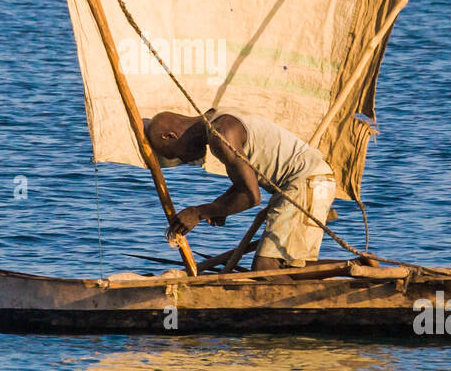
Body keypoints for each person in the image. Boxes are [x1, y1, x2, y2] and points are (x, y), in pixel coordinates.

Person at [144, 109, 336, 271]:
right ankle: (356, 264)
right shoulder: (217, 118)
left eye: (176, 155)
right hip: (310, 181)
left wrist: (199, 212)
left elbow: (251, 196)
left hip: (307, 181)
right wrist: (220, 206)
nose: (185, 161)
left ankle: (356, 265)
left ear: (170, 136)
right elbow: (244, 180)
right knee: (291, 265)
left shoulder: (221, 134)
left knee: (266, 267)